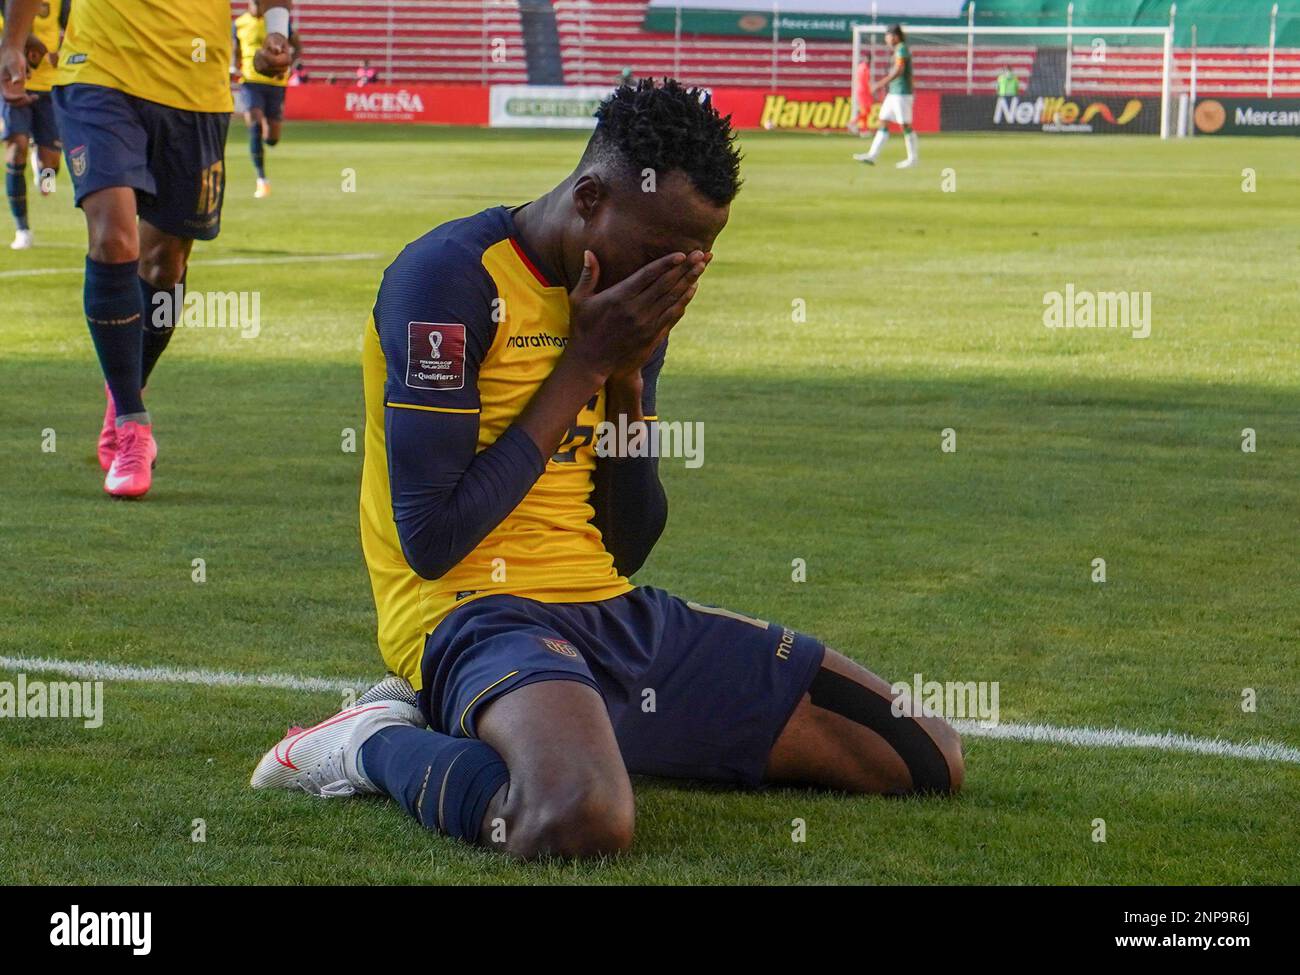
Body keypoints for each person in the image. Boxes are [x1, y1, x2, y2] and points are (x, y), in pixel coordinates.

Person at [250, 80, 964, 860]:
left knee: (923, 755)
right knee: (577, 818)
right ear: (590, 198)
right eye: (663, 253)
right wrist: (582, 365)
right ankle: (368, 742)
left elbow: (625, 546)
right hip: (469, 614)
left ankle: (572, 722)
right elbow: (431, 538)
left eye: (698, 258)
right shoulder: (450, 280)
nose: (679, 277)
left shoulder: (626, 300)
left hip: (603, 607)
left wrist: (625, 380)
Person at [0, 0, 292, 498]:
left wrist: (277, 35)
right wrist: (12, 38)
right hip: (98, 75)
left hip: (195, 94)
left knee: (165, 265)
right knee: (114, 238)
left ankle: (123, 392)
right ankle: (134, 425)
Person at [2, 0, 67, 250]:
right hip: (15, 80)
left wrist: (62, 52)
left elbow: (71, 28)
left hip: (50, 84)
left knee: (50, 162)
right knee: (16, 147)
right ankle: (22, 229)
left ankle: (42, 169)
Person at [233, 0, 297, 199]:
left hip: (276, 83)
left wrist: (287, 65)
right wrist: (233, 67)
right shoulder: (239, 23)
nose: (255, 6)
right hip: (250, 81)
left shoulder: (277, 21)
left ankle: (265, 139)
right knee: (254, 122)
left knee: (271, 139)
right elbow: (235, 49)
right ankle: (262, 179)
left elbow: (298, 47)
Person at [853, 24, 917, 169]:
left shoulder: (901, 49)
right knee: (883, 121)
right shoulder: (898, 49)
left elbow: (899, 70)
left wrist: (880, 83)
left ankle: (913, 159)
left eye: (887, 36)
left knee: (905, 125)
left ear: (895, 36)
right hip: (894, 92)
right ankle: (872, 155)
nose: (886, 40)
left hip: (901, 93)